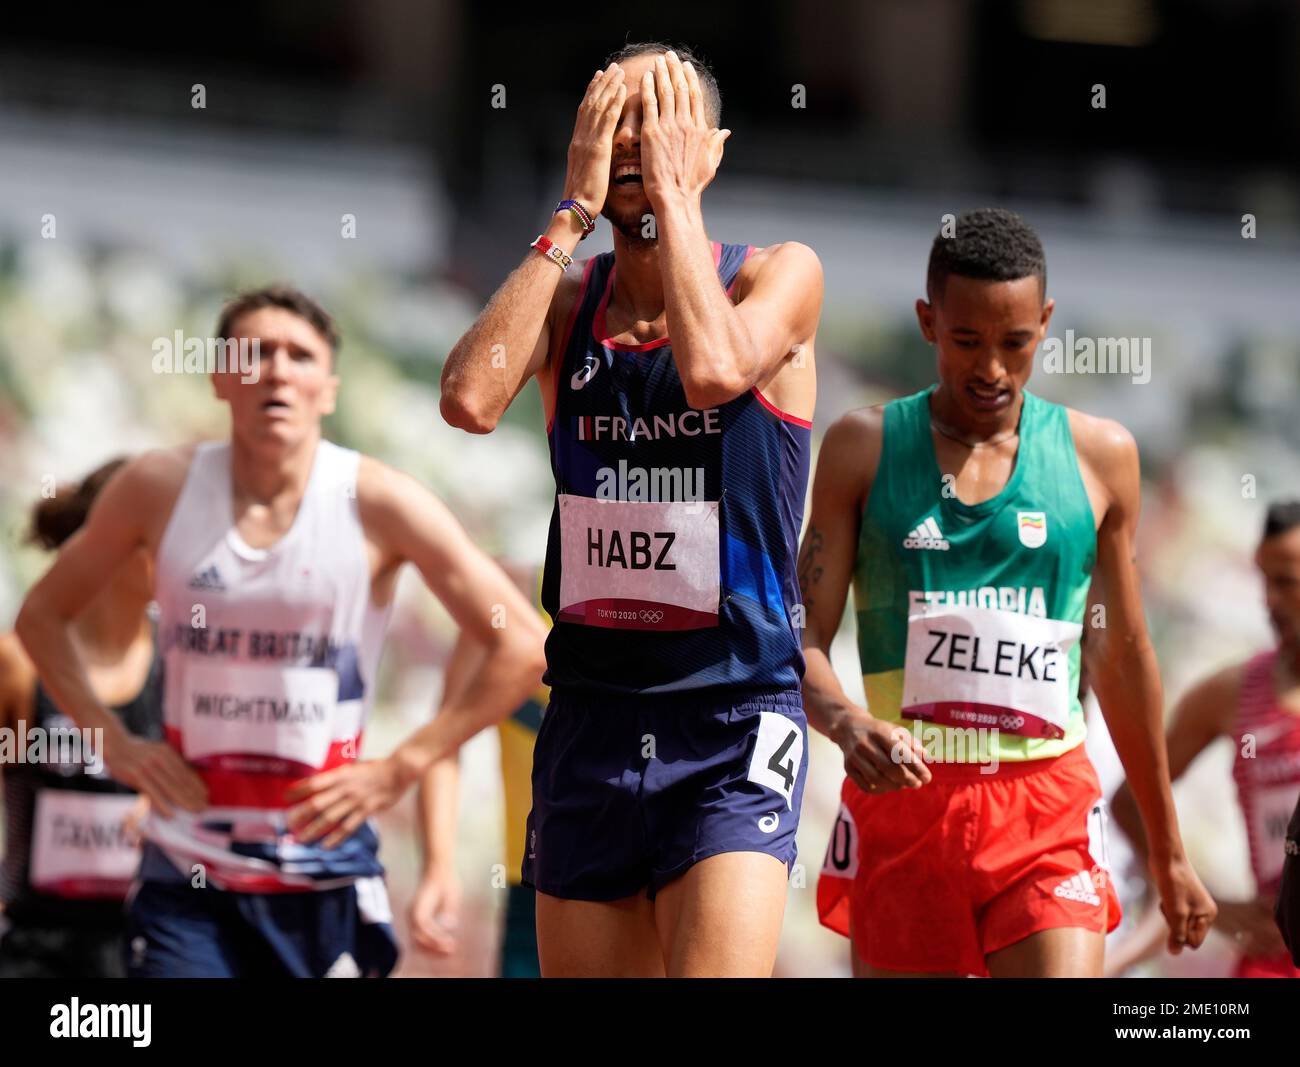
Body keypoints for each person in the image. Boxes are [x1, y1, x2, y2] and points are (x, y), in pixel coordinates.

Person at [16, 285, 547, 977]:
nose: (276, 370)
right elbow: (40, 616)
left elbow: (523, 647)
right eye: (255, 353)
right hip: (188, 872)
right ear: (219, 375)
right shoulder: (159, 488)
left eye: (299, 355)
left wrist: (401, 766)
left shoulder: (379, 500)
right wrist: (112, 741)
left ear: (327, 388)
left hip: (324, 874)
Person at [440, 43, 823, 977]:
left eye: (660, 124)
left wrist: (675, 201)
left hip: (734, 714)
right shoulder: (568, 301)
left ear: (710, 149)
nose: (633, 148)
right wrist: (569, 215)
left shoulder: (776, 275)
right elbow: (469, 401)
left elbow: (715, 373)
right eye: (615, 123)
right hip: (591, 715)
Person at [803, 207, 1215, 977]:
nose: (991, 368)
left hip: (1046, 804)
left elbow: (1123, 659)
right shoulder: (862, 448)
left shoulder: (1101, 457)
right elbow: (803, 639)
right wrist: (845, 721)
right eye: (966, 341)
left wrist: (1168, 852)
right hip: (907, 804)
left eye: (1015, 342)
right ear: (928, 321)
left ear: (1046, 322)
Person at [1110, 499, 1300, 977]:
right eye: (1264, 580)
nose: (1269, 600)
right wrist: (1217, 906)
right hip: (1273, 960)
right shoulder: (1233, 692)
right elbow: (1130, 801)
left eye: (1287, 582)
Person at [0, 459, 159, 977]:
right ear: (108, 539)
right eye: (158, 528)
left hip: (147, 947)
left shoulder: (184, 669)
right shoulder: (19, 664)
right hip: (32, 947)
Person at [414, 561, 548, 977]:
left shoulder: (680, 589)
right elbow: (442, 740)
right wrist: (437, 864)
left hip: (657, 879)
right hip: (533, 887)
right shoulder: (512, 593)